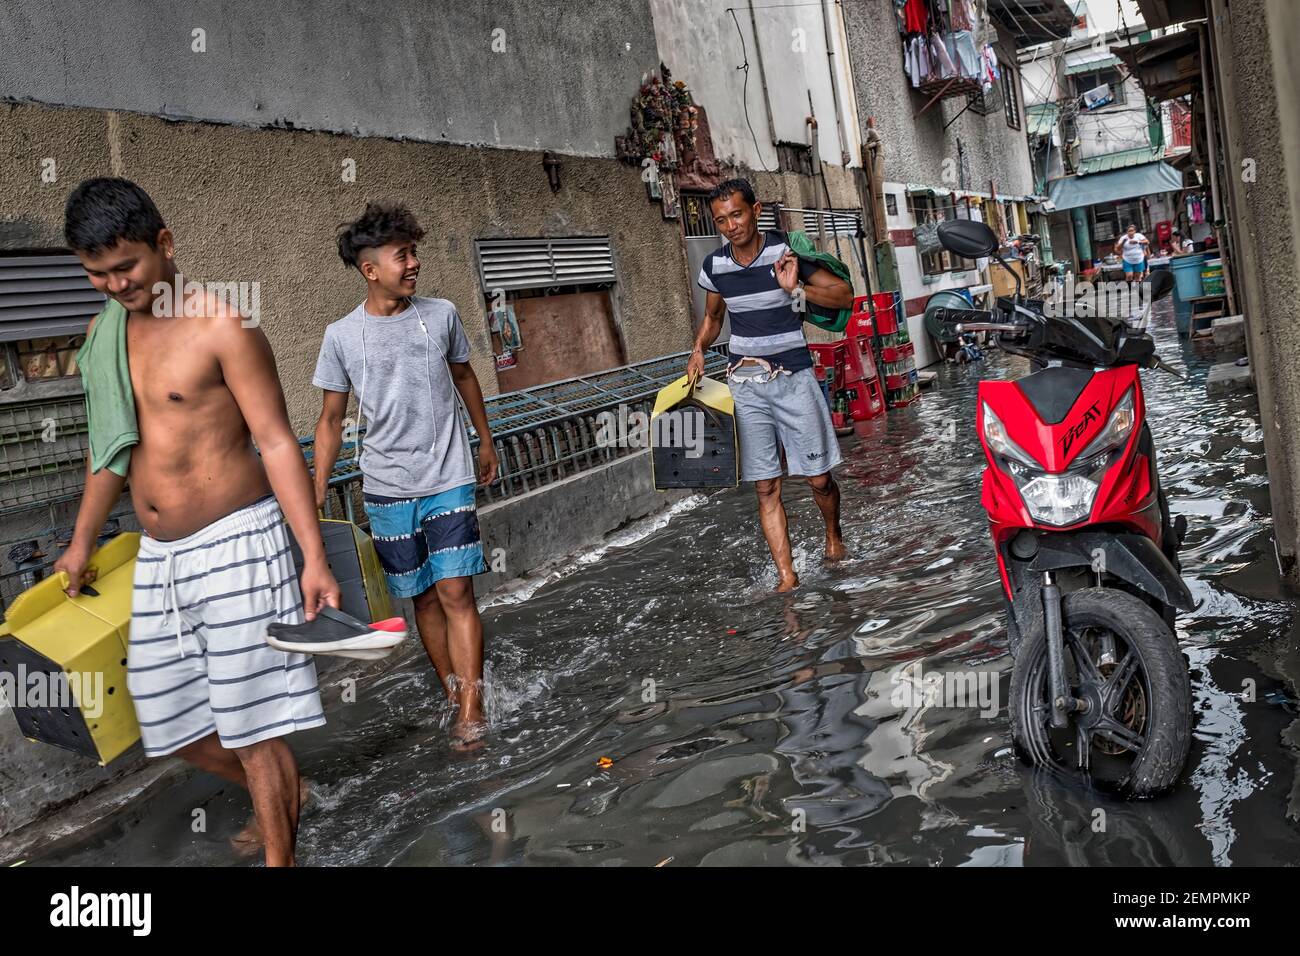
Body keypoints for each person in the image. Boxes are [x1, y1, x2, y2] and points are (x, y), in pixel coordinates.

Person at [53, 178, 339, 867]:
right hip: (159, 554)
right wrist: (81, 543)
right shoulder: (103, 334)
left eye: (127, 267)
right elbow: (109, 450)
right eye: (97, 274)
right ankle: (279, 797)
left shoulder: (221, 324)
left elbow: (274, 440)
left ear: (165, 245)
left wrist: (313, 556)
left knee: (252, 722)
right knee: (167, 716)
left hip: (238, 540)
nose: (115, 285)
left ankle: (280, 854)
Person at [311, 202, 499, 749]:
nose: (414, 263)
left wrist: (484, 440)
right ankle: (453, 692)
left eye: (415, 252)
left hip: (448, 474)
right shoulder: (341, 336)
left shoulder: (440, 315)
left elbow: (465, 376)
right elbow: (328, 420)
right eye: (403, 255)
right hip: (386, 486)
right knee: (422, 598)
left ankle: (471, 707)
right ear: (371, 270)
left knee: (456, 589)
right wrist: (317, 487)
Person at [686, 179, 853, 592]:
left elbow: (844, 297)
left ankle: (833, 535)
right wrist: (698, 348)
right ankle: (786, 577)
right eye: (721, 220)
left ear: (756, 211)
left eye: (737, 215)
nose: (730, 226)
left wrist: (794, 287)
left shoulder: (786, 253)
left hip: (793, 379)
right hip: (745, 384)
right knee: (765, 485)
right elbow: (713, 318)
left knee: (818, 479)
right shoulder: (715, 267)